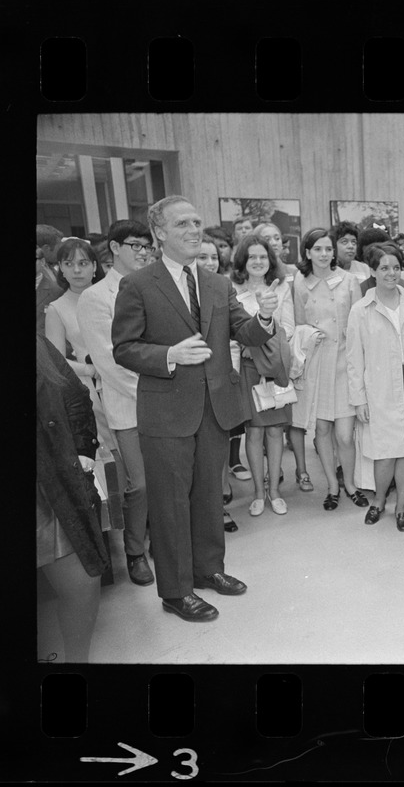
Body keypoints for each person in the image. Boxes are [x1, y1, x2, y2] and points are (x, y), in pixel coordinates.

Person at [112, 195, 282, 623]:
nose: (193, 230)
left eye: (197, 222)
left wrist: (263, 319)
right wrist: (170, 354)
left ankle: (209, 570)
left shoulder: (217, 283)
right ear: (159, 233)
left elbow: (243, 330)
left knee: (209, 496)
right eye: (182, 223)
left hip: (214, 408)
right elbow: (124, 348)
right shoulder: (138, 285)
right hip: (167, 413)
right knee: (169, 505)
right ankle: (175, 591)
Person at [77, 220, 156, 584]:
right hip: (130, 404)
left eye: (147, 246)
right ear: (114, 247)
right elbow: (108, 361)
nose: (142, 251)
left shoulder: (155, 286)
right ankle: (136, 551)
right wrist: (153, 395)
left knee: (167, 478)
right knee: (138, 483)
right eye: (135, 245)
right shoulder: (95, 298)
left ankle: (164, 542)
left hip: (167, 401)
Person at [347, 243, 404, 531]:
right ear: (373, 272)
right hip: (380, 390)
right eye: (384, 268)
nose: (391, 273)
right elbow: (354, 358)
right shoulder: (361, 310)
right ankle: (378, 501)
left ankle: (401, 505)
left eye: (396, 267)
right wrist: (359, 399)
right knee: (384, 450)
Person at [37, 334, 110, 662]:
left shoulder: (34, 341)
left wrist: (83, 448)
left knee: (83, 583)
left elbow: (75, 394)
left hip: (48, 487)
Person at [292, 227, 367, 510]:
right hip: (317, 363)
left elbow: (360, 326)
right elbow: (298, 325)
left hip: (345, 363)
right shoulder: (299, 282)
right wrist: (309, 335)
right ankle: (332, 487)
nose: (324, 254)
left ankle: (350, 483)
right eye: (318, 249)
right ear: (308, 253)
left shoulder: (349, 281)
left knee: (345, 435)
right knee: (321, 430)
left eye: (328, 249)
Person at [231, 234, 296, 517]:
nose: (257, 261)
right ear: (242, 261)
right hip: (246, 368)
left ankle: (275, 492)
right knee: (254, 432)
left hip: (273, 366)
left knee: (275, 431)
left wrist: (265, 346)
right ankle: (258, 492)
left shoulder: (281, 288)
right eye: (252, 256)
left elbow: (290, 327)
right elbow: (230, 330)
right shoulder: (230, 289)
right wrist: (247, 347)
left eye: (262, 256)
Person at [44, 238, 112, 449]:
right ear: (60, 269)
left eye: (82, 263)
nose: (76, 270)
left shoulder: (114, 294)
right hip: (91, 384)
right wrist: (89, 369)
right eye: (68, 264)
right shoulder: (57, 308)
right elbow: (55, 360)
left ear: (94, 266)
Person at [194, 235, 241, 533]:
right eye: (203, 257)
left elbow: (241, 327)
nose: (210, 262)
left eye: (214, 257)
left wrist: (264, 317)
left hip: (219, 383)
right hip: (185, 387)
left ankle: (218, 507)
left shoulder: (222, 287)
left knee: (217, 454)